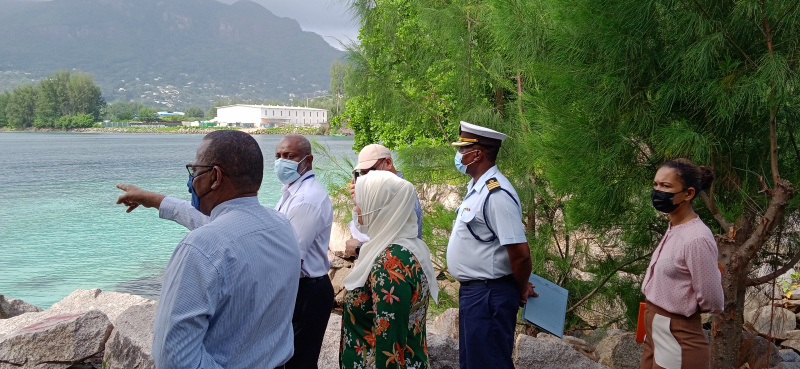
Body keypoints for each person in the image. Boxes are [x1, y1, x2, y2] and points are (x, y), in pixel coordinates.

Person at [119, 133, 335, 369]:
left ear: (215, 176)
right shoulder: (280, 225)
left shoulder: (199, 248)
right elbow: (224, 224)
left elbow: (174, 358)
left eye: (195, 170)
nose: (192, 179)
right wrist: (156, 200)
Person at [446, 121, 536, 369]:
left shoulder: (496, 194)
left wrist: (519, 289)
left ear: (477, 154)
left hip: (489, 295)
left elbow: (520, 254)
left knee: (488, 362)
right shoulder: (477, 188)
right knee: (474, 362)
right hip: (477, 294)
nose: (458, 155)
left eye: (462, 150)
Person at [340, 170, 439, 369]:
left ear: (380, 207)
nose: (357, 211)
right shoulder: (410, 246)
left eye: (360, 203)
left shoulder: (389, 264)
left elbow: (390, 346)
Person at [640, 158, 724, 369]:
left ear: (688, 194)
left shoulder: (697, 238)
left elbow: (713, 298)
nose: (658, 191)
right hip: (655, 325)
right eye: (656, 184)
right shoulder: (675, 226)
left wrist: (680, 310)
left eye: (666, 186)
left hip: (677, 332)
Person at [274, 134, 335, 369]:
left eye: (289, 156)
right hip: (301, 288)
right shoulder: (292, 192)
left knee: (299, 362)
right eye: (278, 156)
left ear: (307, 160)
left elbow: (291, 258)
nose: (282, 161)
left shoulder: (306, 200)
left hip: (307, 291)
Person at [345, 143, 423, 258]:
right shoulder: (385, 191)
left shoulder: (403, 194)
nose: (367, 178)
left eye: (371, 171)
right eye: (362, 174)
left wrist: (360, 248)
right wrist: (359, 202)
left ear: (388, 163)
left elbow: (399, 248)